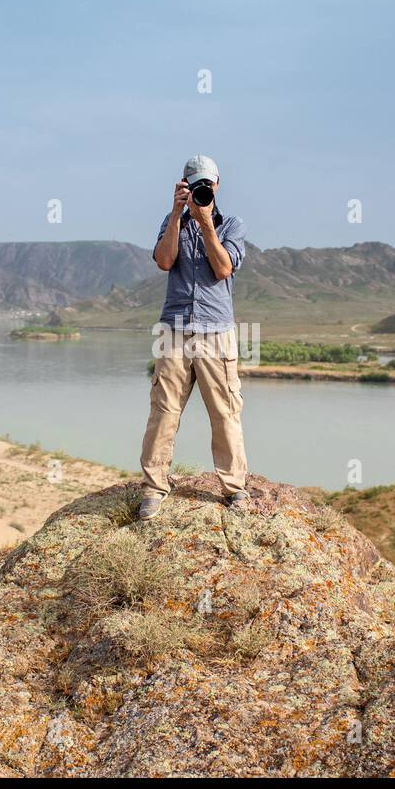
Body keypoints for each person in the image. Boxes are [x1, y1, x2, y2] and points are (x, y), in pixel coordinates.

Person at [138, 154, 248, 520]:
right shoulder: (173, 223)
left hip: (216, 330)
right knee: (163, 411)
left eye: (207, 184)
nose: (203, 189)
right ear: (183, 185)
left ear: (217, 185)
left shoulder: (232, 224)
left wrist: (206, 226)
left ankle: (234, 488)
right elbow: (164, 261)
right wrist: (176, 215)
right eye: (194, 183)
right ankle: (154, 487)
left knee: (225, 411)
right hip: (174, 329)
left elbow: (223, 267)